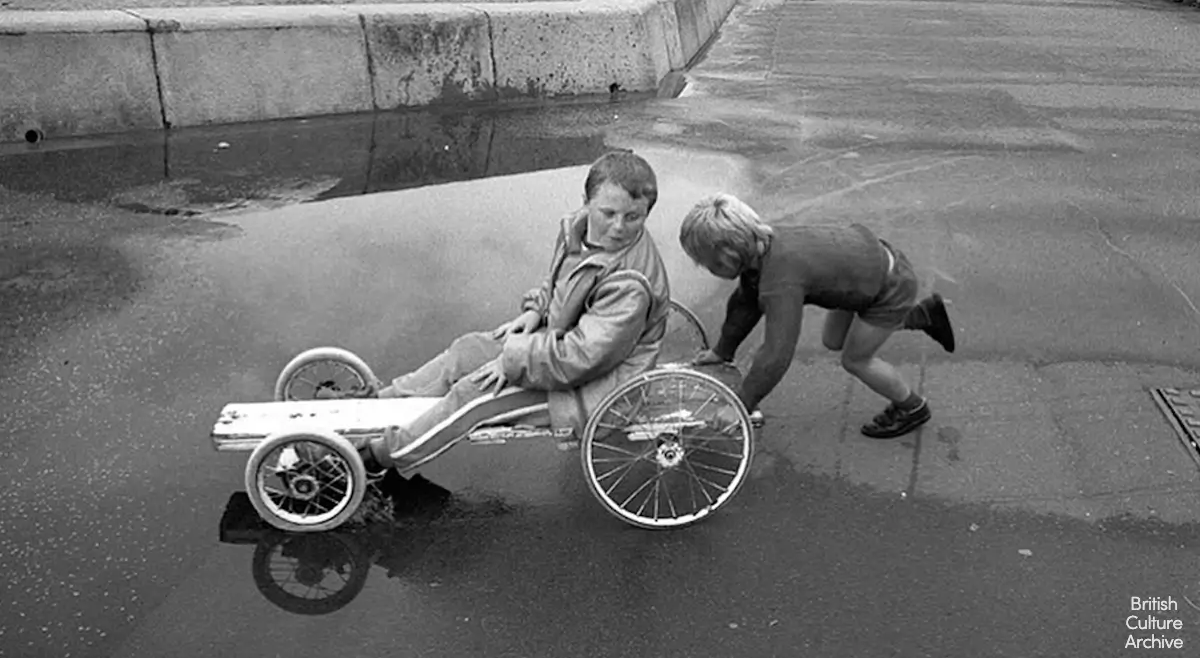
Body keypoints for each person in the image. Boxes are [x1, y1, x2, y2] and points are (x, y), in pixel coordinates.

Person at [357, 149, 671, 473]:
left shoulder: (630, 285)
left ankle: (376, 457)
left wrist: (510, 362)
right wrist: (538, 309)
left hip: (594, 389)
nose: (618, 227)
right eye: (608, 213)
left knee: (474, 397)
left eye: (633, 217)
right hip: (559, 348)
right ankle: (378, 402)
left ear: (646, 213)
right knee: (467, 351)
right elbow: (562, 285)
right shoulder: (577, 230)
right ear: (587, 202)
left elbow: (582, 357)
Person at [678, 193, 955, 439]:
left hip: (889, 288)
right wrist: (722, 351)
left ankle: (912, 407)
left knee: (856, 359)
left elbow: (776, 353)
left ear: (728, 254)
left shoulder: (781, 279)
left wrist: (741, 405)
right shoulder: (763, 245)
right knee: (833, 340)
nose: (706, 269)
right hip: (862, 273)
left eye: (707, 263)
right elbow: (745, 304)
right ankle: (922, 316)